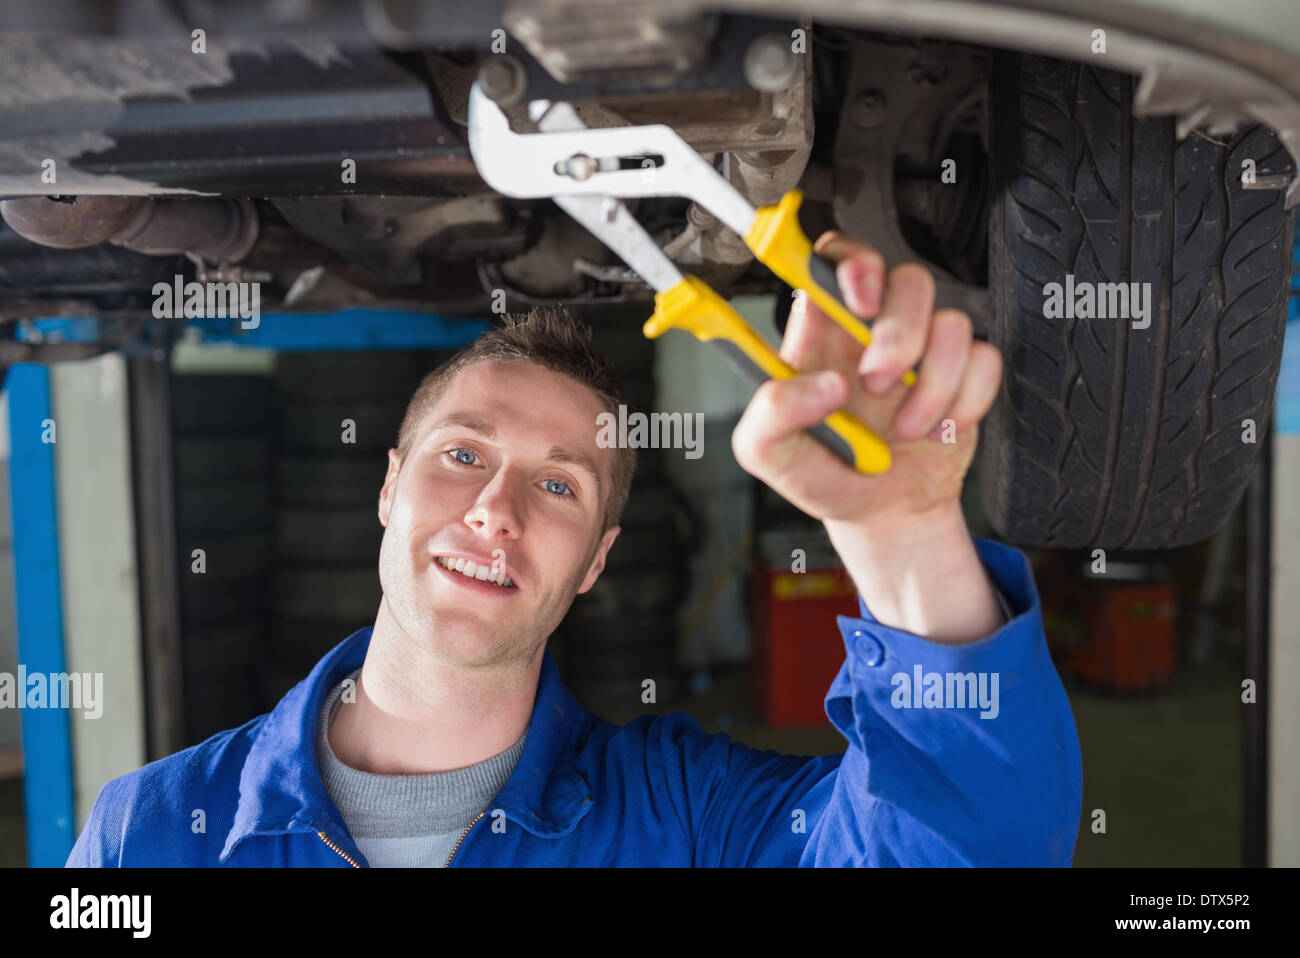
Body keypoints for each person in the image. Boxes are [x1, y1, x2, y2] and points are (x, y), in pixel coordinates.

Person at [68, 232, 1082, 867]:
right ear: (387, 486)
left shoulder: (687, 825)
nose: (495, 509)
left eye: (557, 483)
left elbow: (968, 849)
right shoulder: (150, 834)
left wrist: (902, 536)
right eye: (463, 453)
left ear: (597, 560)